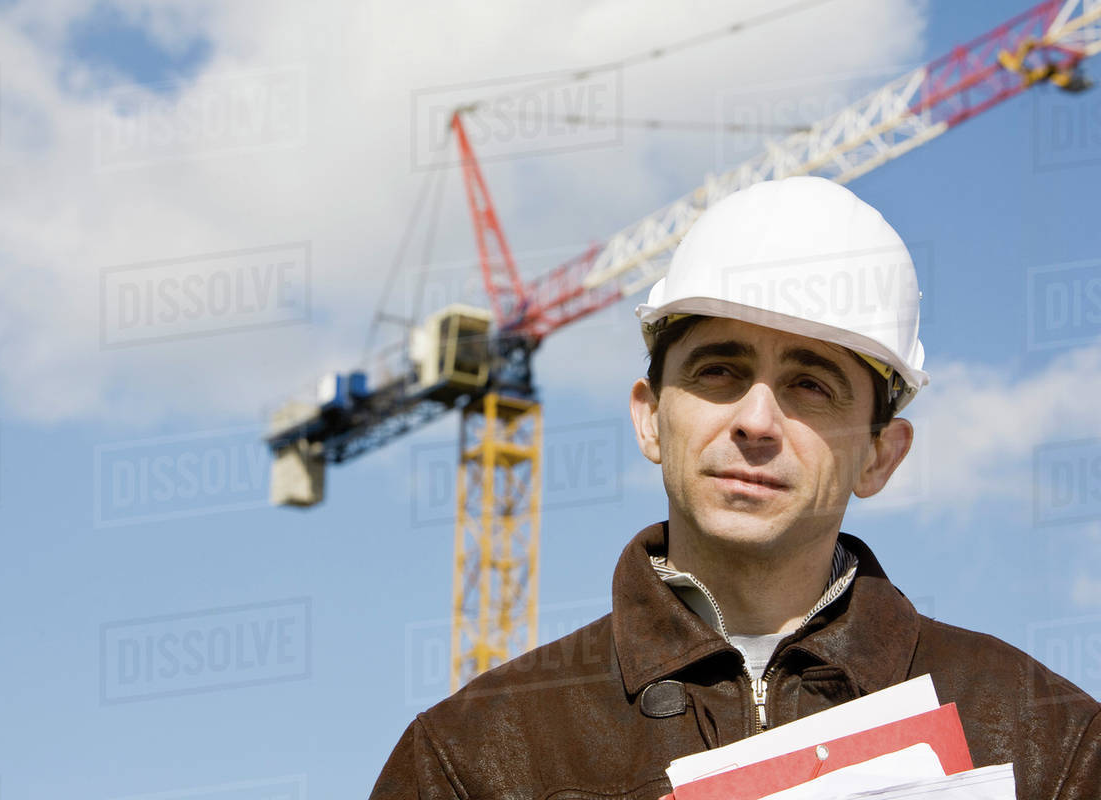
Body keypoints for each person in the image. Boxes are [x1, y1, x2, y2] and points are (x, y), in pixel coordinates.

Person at [369, 177, 1100, 800]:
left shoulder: (1048, 740)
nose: (756, 421)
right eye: (718, 371)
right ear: (651, 418)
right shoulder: (471, 760)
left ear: (881, 455)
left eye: (810, 385)